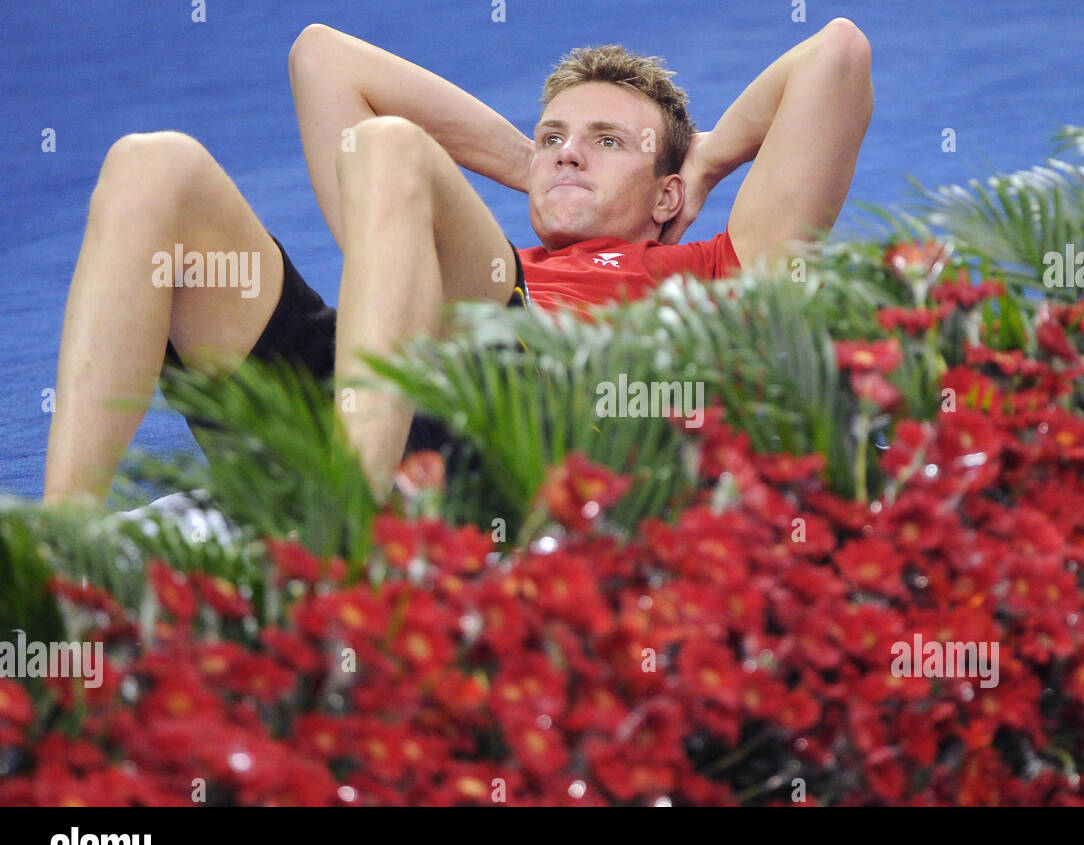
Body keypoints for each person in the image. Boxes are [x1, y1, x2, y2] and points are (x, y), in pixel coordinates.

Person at [42, 18, 872, 507]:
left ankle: (350, 537)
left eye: (608, 142)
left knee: (389, 145)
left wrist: (701, 168)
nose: (568, 153)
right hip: (359, 394)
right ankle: (52, 553)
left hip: (518, 426)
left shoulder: (722, 268)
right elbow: (320, 54)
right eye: (555, 137)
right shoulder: (438, 246)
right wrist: (541, 167)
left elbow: (837, 54)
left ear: (663, 194)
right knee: (154, 164)